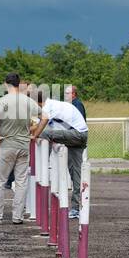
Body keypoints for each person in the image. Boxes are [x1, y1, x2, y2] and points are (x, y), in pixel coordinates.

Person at [0, 73, 44, 226]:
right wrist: (35, 134)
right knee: (21, 182)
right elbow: (45, 117)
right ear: (18, 84)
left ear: (6, 84)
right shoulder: (28, 101)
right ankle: (18, 217)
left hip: (7, 144)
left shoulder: (3, 101)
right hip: (23, 146)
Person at [33, 90, 89, 218]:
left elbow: (39, 127)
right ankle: (75, 209)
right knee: (76, 173)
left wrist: (33, 136)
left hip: (77, 134)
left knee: (44, 134)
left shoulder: (47, 107)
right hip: (80, 134)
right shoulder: (53, 105)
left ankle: (42, 166)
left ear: (37, 102)